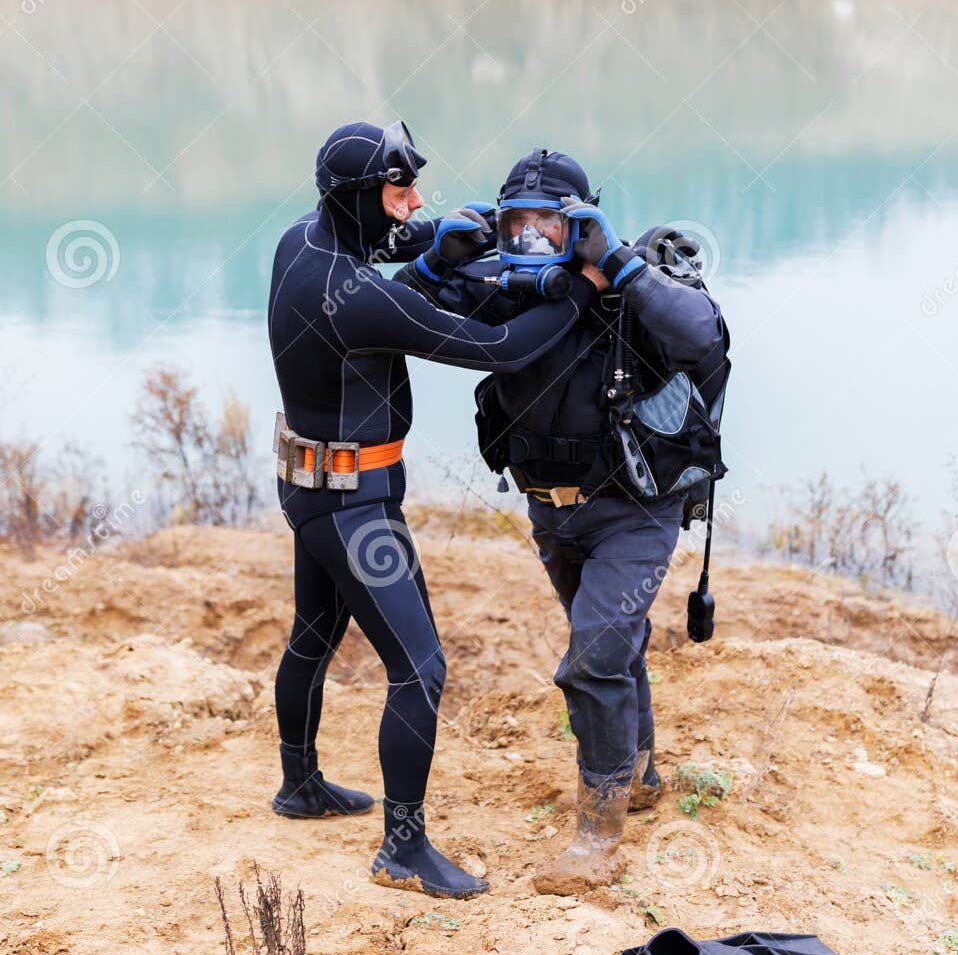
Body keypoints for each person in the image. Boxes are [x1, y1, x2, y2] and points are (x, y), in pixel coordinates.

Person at [267, 122, 603, 899]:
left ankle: (299, 786)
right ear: (358, 198)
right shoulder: (359, 302)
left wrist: (430, 248)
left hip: (308, 487)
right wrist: (583, 283)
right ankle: (403, 849)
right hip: (357, 504)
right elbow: (500, 347)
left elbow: (381, 258)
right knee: (420, 670)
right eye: (398, 192)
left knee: (313, 637)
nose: (415, 202)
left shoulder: (299, 244)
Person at [398, 149, 729, 895]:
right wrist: (438, 263)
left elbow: (701, 336)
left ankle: (598, 834)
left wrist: (614, 260)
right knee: (611, 645)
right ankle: (638, 774)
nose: (534, 237)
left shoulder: (631, 285)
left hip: (635, 510)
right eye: (518, 222)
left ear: (581, 218)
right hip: (550, 509)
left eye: (552, 221)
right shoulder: (502, 292)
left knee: (593, 654)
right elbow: (398, 316)